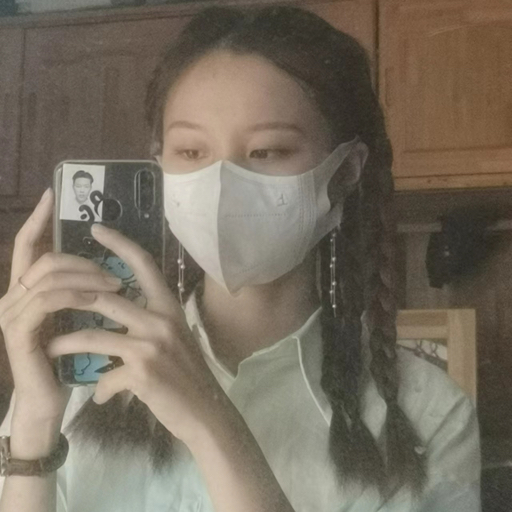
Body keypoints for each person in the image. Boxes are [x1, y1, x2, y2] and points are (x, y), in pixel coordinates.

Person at [0, 5, 480, 512]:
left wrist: (212, 423)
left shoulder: (429, 414)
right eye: (191, 152)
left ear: (343, 173)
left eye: (267, 151)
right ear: (160, 166)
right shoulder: (83, 374)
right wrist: (34, 422)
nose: (221, 184)